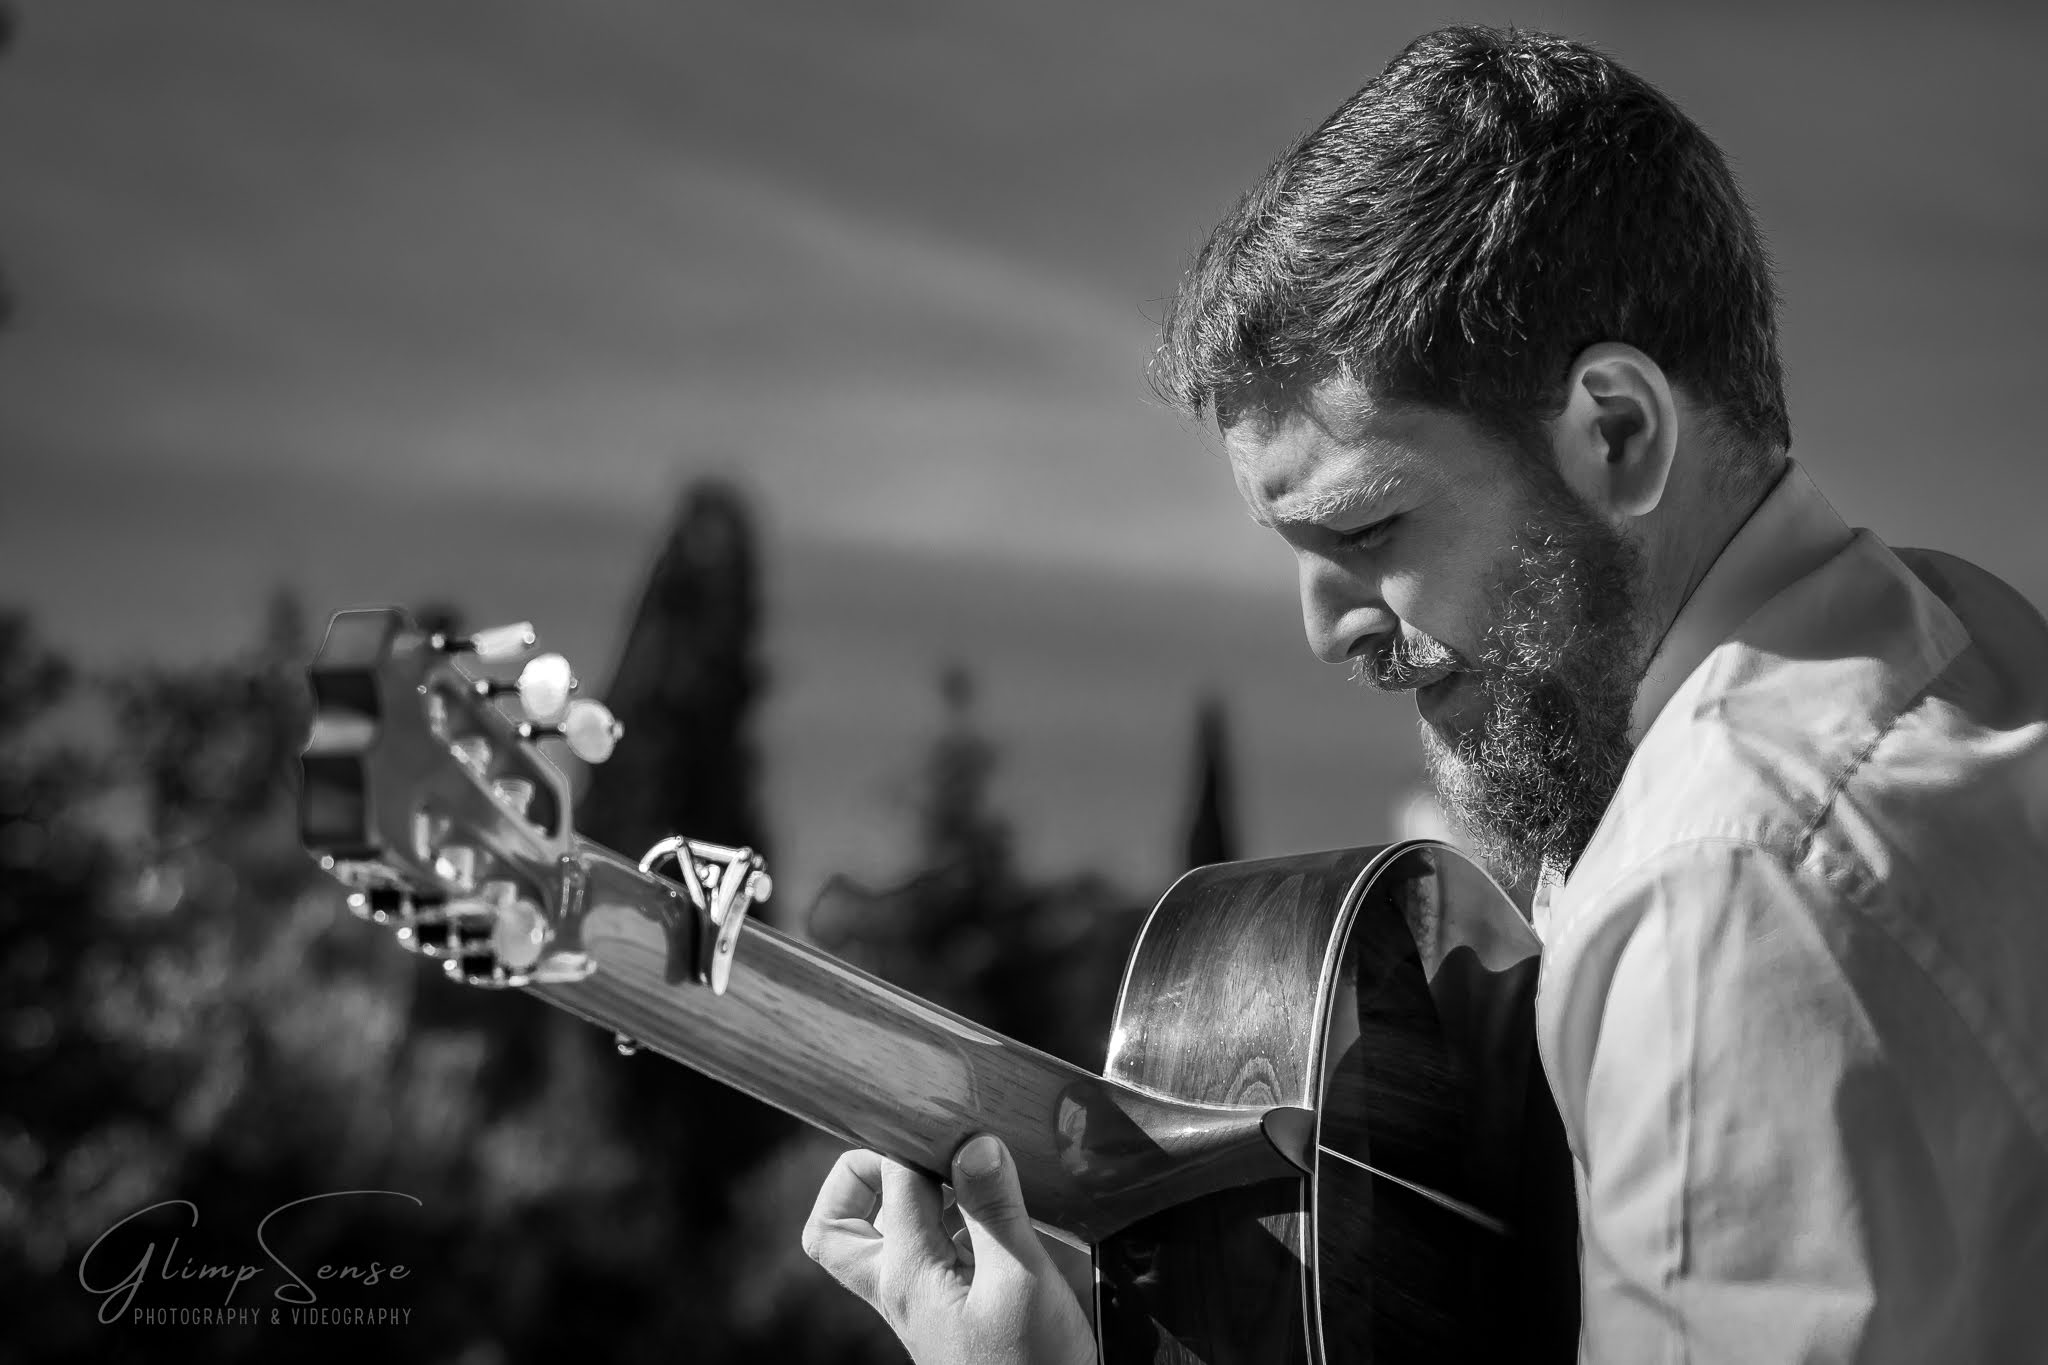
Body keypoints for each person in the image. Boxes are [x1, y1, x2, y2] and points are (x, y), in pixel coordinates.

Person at [802, 24, 2048, 1363]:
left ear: (1616, 434)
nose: (1331, 630)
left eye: (1371, 529)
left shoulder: (1721, 897)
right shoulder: (1967, 646)